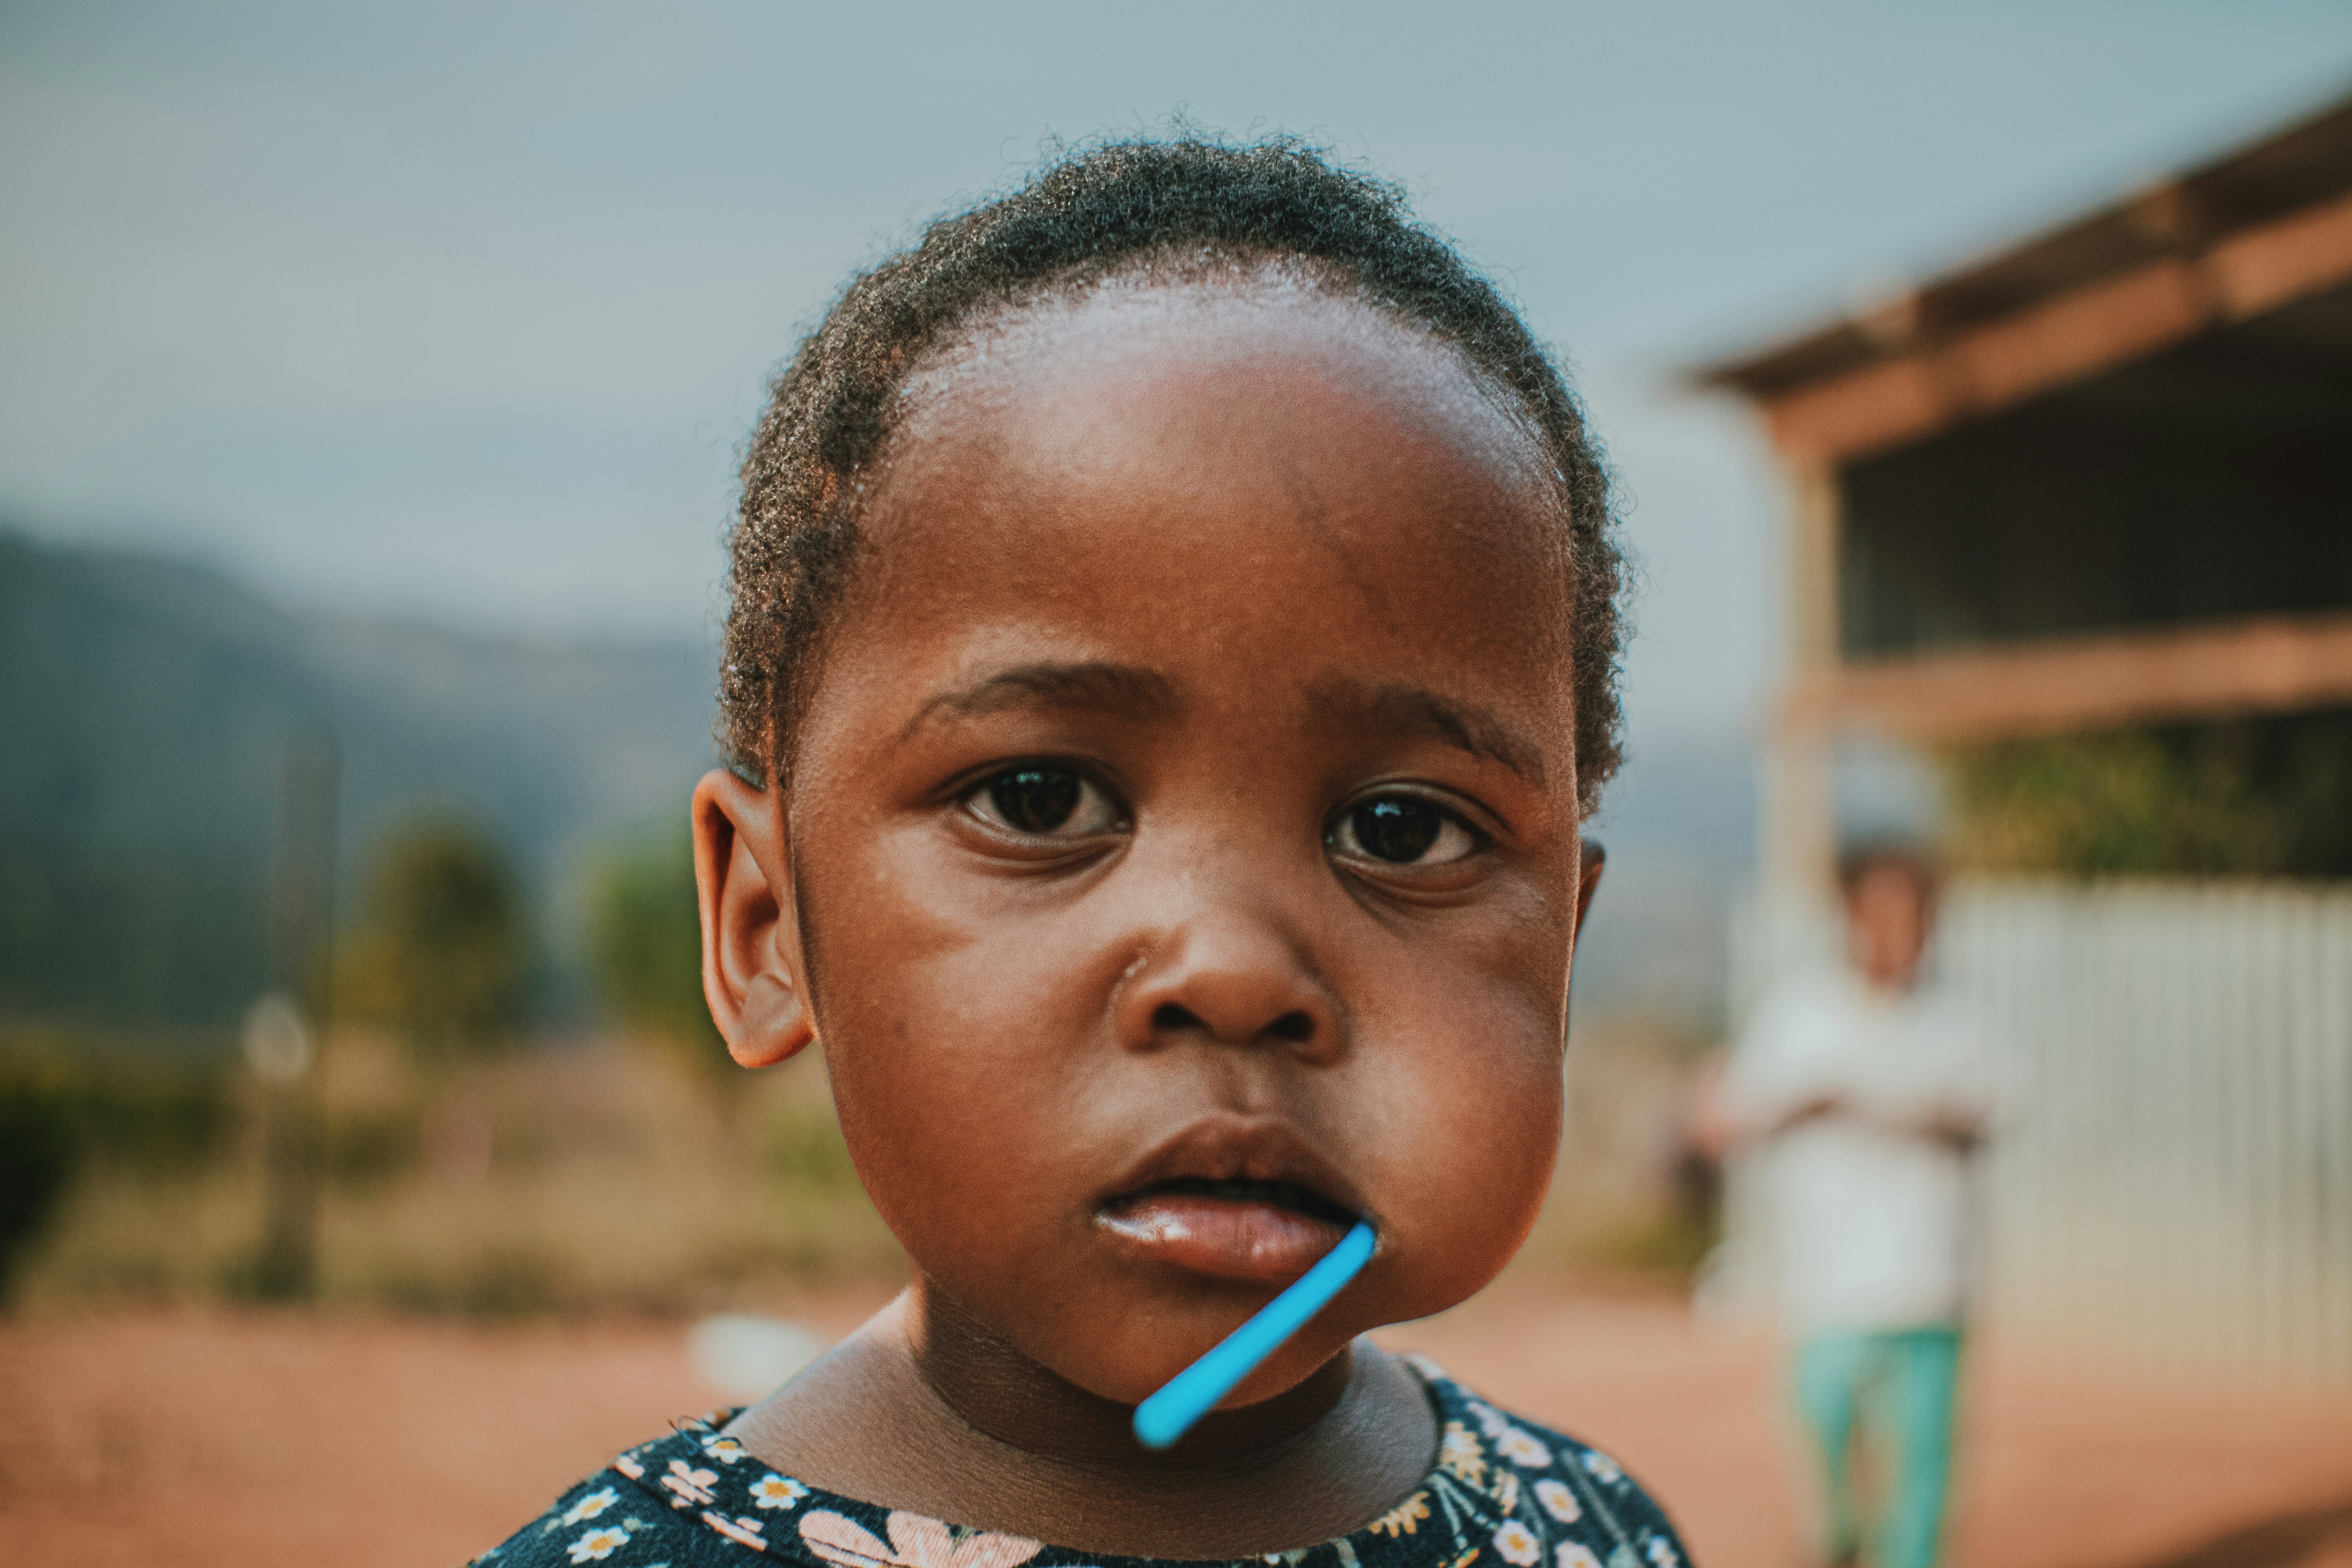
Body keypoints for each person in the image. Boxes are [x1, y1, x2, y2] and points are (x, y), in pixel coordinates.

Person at [476, 134, 1690, 1568]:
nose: (1234, 971)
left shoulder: (1591, 1533)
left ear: (1561, 953)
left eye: (1401, 830)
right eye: (1043, 800)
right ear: (765, 926)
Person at [1703, 845, 1993, 1568]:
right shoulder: (1801, 1014)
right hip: (1827, 1289)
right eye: (1881, 915)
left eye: (1913, 917)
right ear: (1850, 918)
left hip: (1932, 1283)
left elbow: (1993, 1107)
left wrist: (1895, 1110)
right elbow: (1733, 1115)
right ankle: (1836, 1543)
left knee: (1923, 1473)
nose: (1896, 933)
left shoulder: (1957, 1019)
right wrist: (1804, 1106)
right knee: (1825, 1445)